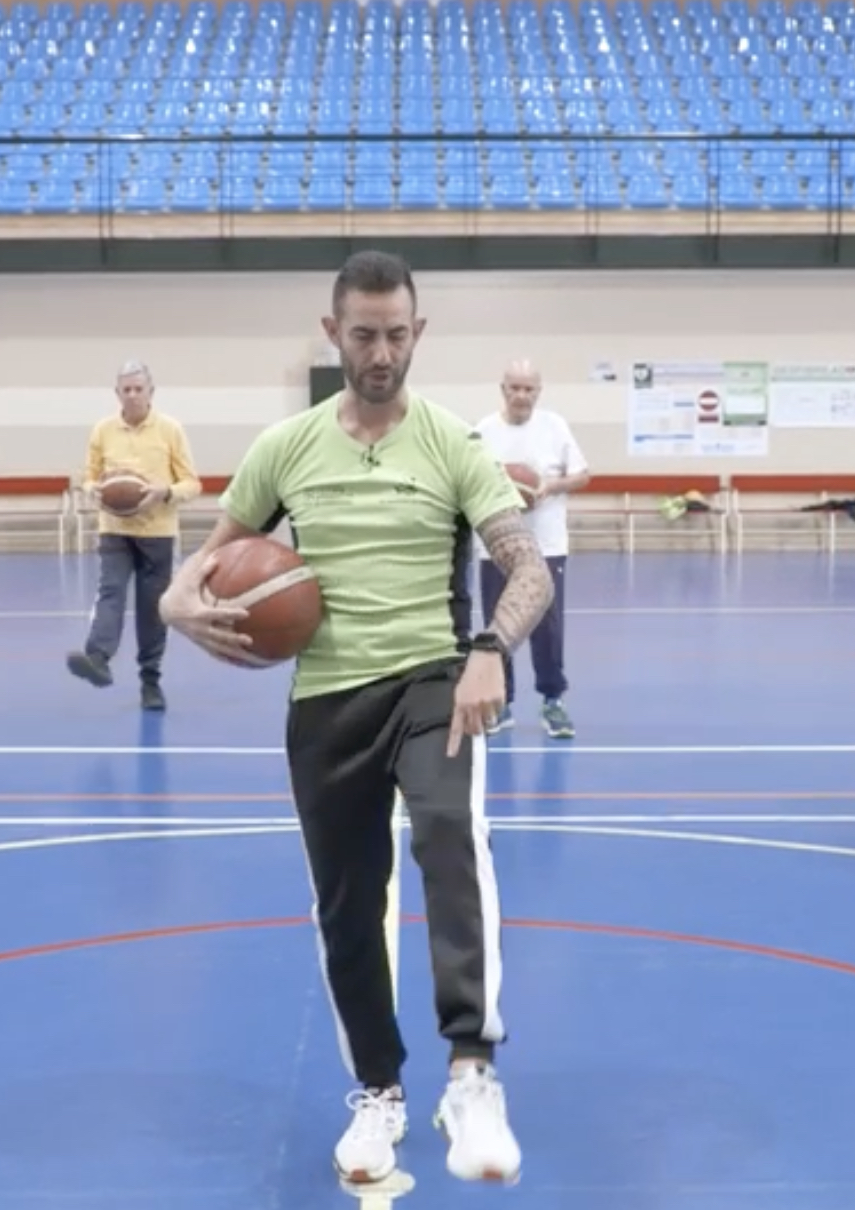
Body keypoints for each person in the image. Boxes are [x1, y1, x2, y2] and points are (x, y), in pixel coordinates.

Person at [158, 250, 551, 1188]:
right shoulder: (284, 448)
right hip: (326, 698)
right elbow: (201, 565)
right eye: (365, 334)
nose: (382, 352)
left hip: (432, 678)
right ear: (333, 334)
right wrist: (177, 604)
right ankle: (379, 1091)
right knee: (346, 901)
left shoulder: (454, 442)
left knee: (453, 836)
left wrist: (490, 651)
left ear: (420, 334)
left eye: (398, 334)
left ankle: (471, 1072)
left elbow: (527, 568)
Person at [64, 361, 201, 711]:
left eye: (139, 388)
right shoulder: (103, 430)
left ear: (151, 392)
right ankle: (98, 659)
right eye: (126, 389)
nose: (133, 394)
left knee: (152, 609)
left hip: (158, 533)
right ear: (117, 394)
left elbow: (192, 484)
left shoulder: (170, 430)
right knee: (110, 591)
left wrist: (164, 492)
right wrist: (95, 490)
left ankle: (150, 682)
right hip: (115, 531)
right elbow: (89, 477)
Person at [473, 358, 588, 739]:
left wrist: (549, 487)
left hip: (548, 544)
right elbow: (468, 482)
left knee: (547, 627)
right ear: (503, 389)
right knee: (498, 624)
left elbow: (583, 474)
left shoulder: (555, 427)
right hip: (498, 545)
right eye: (515, 387)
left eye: (529, 388)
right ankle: (502, 703)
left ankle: (552, 701)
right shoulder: (482, 432)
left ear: (538, 391)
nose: (522, 395)